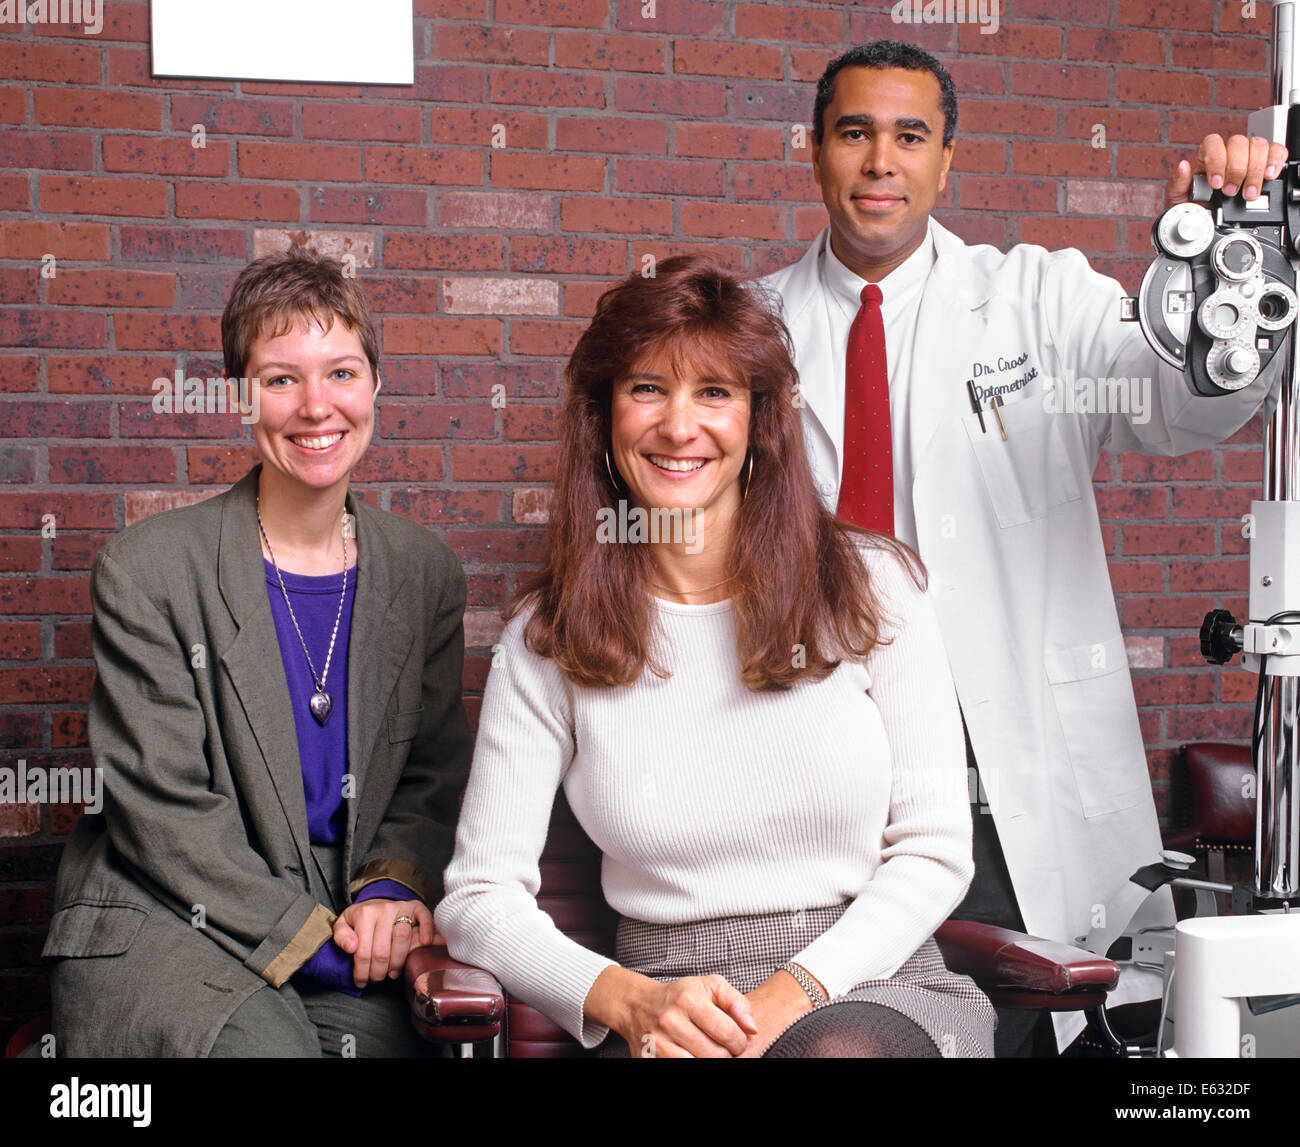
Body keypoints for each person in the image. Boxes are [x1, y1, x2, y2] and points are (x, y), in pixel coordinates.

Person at [758, 39, 1287, 1055]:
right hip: (824, 773)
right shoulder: (753, 325)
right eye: (854, 132)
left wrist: (1239, 252)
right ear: (814, 149)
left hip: (1001, 780)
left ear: (946, 160)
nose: (881, 161)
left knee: (1053, 1029)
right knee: (855, 1024)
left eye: (910, 136)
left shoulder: (1040, 298)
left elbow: (1184, 405)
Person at [436, 256, 995, 1058]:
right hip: (670, 1005)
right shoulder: (546, 636)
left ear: (758, 422)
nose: (678, 425)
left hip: (873, 981)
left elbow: (936, 849)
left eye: (714, 392)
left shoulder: (874, 587)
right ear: (603, 417)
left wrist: (789, 993)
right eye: (647, 388)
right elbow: (478, 898)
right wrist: (631, 1003)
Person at [41, 248, 473, 1057]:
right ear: (243, 397)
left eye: (341, 372)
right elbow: (160, 805)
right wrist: (309, 940)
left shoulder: (424, 572)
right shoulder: (148, 569)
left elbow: (433, 772)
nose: (317, 407)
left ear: (375, 385)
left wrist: (388, 889)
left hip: (340, 920)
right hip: (165, 913)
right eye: (281, 379)